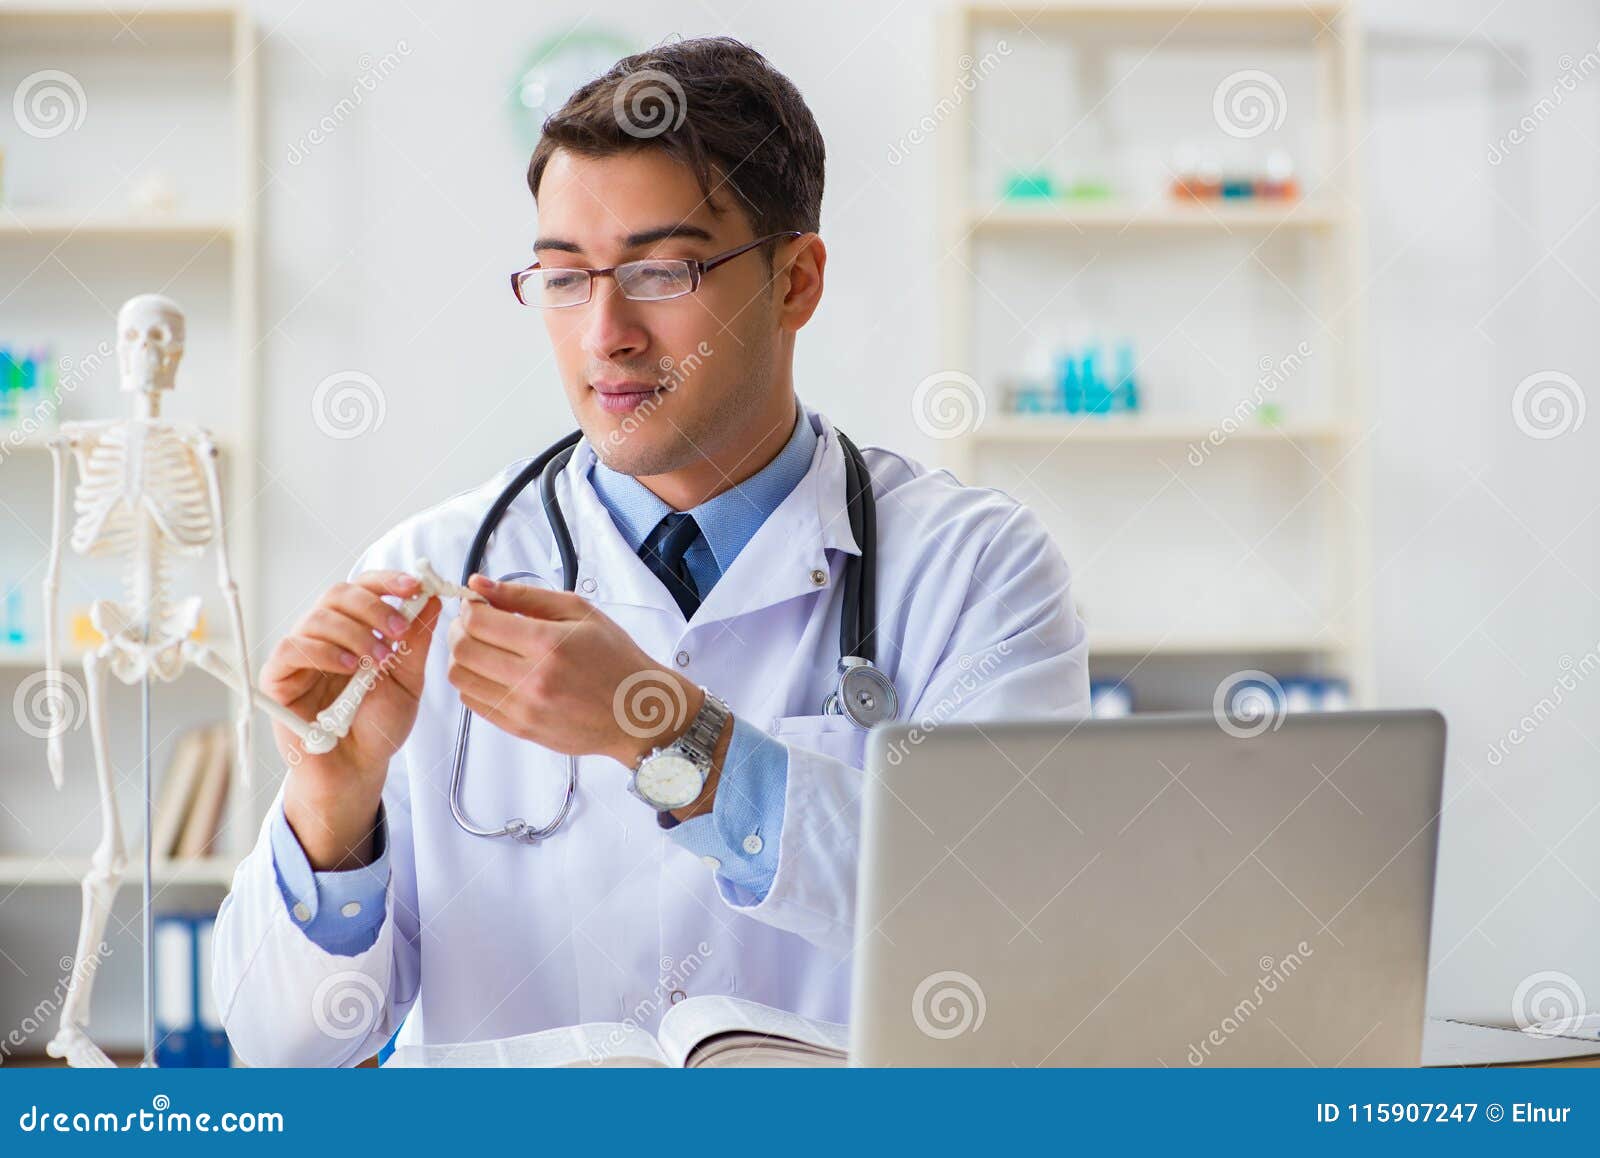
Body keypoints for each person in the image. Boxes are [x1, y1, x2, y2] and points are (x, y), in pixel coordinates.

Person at [212, 35, 1088, 1066]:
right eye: (564, 279)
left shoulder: (974, 571)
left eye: (660, 271)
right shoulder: (425, 574)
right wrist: (330, 805)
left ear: (796, 280)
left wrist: (675, 741)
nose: (606, 333)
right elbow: (280, 1052)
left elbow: (1013, 939)